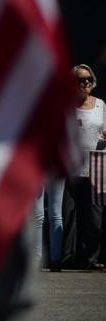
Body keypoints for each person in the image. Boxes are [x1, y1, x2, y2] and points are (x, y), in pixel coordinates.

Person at [69, 64, 105, 270]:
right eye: (81, 80)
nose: (86, 83)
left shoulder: (101, 105)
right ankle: (69, 258)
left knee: (94, 217)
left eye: (88, 79)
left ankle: (91, 259)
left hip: (97, 166)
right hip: (72, 167)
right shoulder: (67, 106)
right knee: (71, 215)